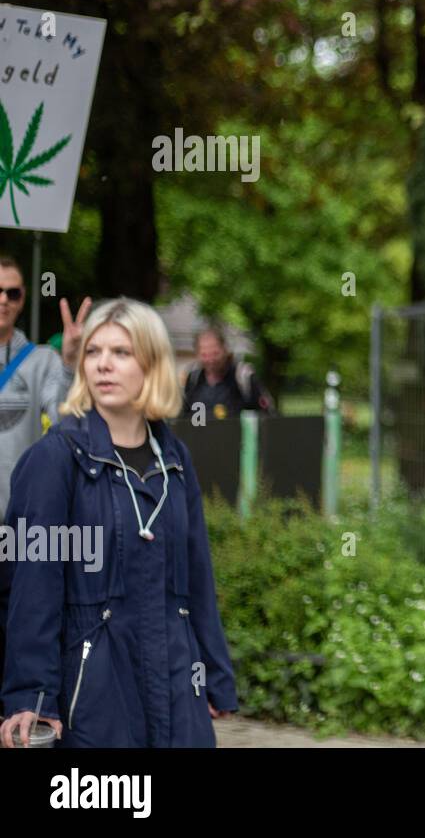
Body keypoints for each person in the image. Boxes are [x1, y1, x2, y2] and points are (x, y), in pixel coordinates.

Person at [0, 297, 239, 748]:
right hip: (92, 695)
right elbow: (32, 588)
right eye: (93, 352)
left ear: (152, 364)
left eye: (121, 353)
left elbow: (197, 576)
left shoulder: (175, 459)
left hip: (175, 687)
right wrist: (30, 695)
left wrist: (214, 674)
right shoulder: (56, 460)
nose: (103, 365)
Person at [0, 255, 91, 520]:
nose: (4, 299)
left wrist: (69, 363)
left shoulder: (43, 360)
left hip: (19, 514)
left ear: (23, 298)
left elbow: (63, 419)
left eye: (12, 293)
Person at [181, 327, 274, 421]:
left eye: (215, 354)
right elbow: (184, 419)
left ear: (225, 350)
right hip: (200, 435)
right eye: (204, 355)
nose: (210, 360)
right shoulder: (193, 380)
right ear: (197, 355)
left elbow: (266, 416)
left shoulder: (243, 377)